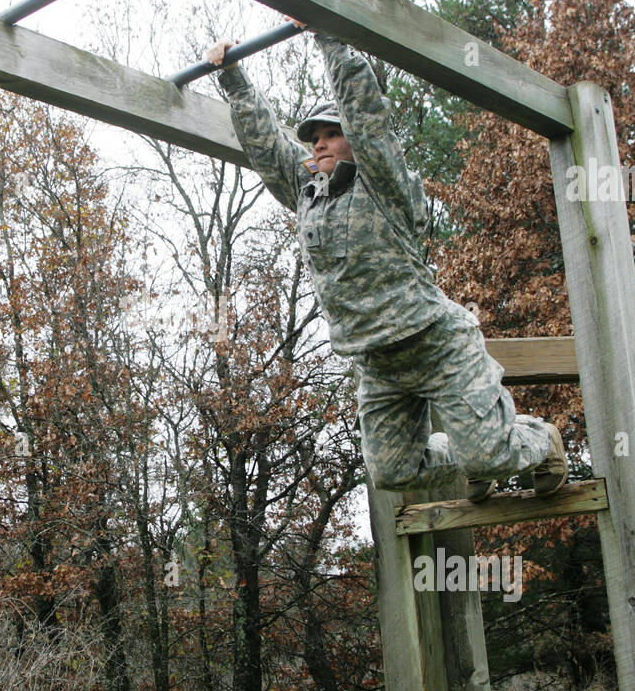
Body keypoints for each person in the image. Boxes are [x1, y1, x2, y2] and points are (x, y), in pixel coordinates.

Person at [205, 25, 567, 502]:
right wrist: (233, 79)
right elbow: (268, 149)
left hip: (435, 344)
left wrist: (328, 36)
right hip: (378, 364)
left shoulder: (383, 183)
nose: (319, 144)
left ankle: (538, 439)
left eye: (333, 134)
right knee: (393, 472)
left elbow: (367, 116)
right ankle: (475, 451)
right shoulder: (308, 194)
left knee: (491, 456)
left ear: (354, 140)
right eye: (314, 137)